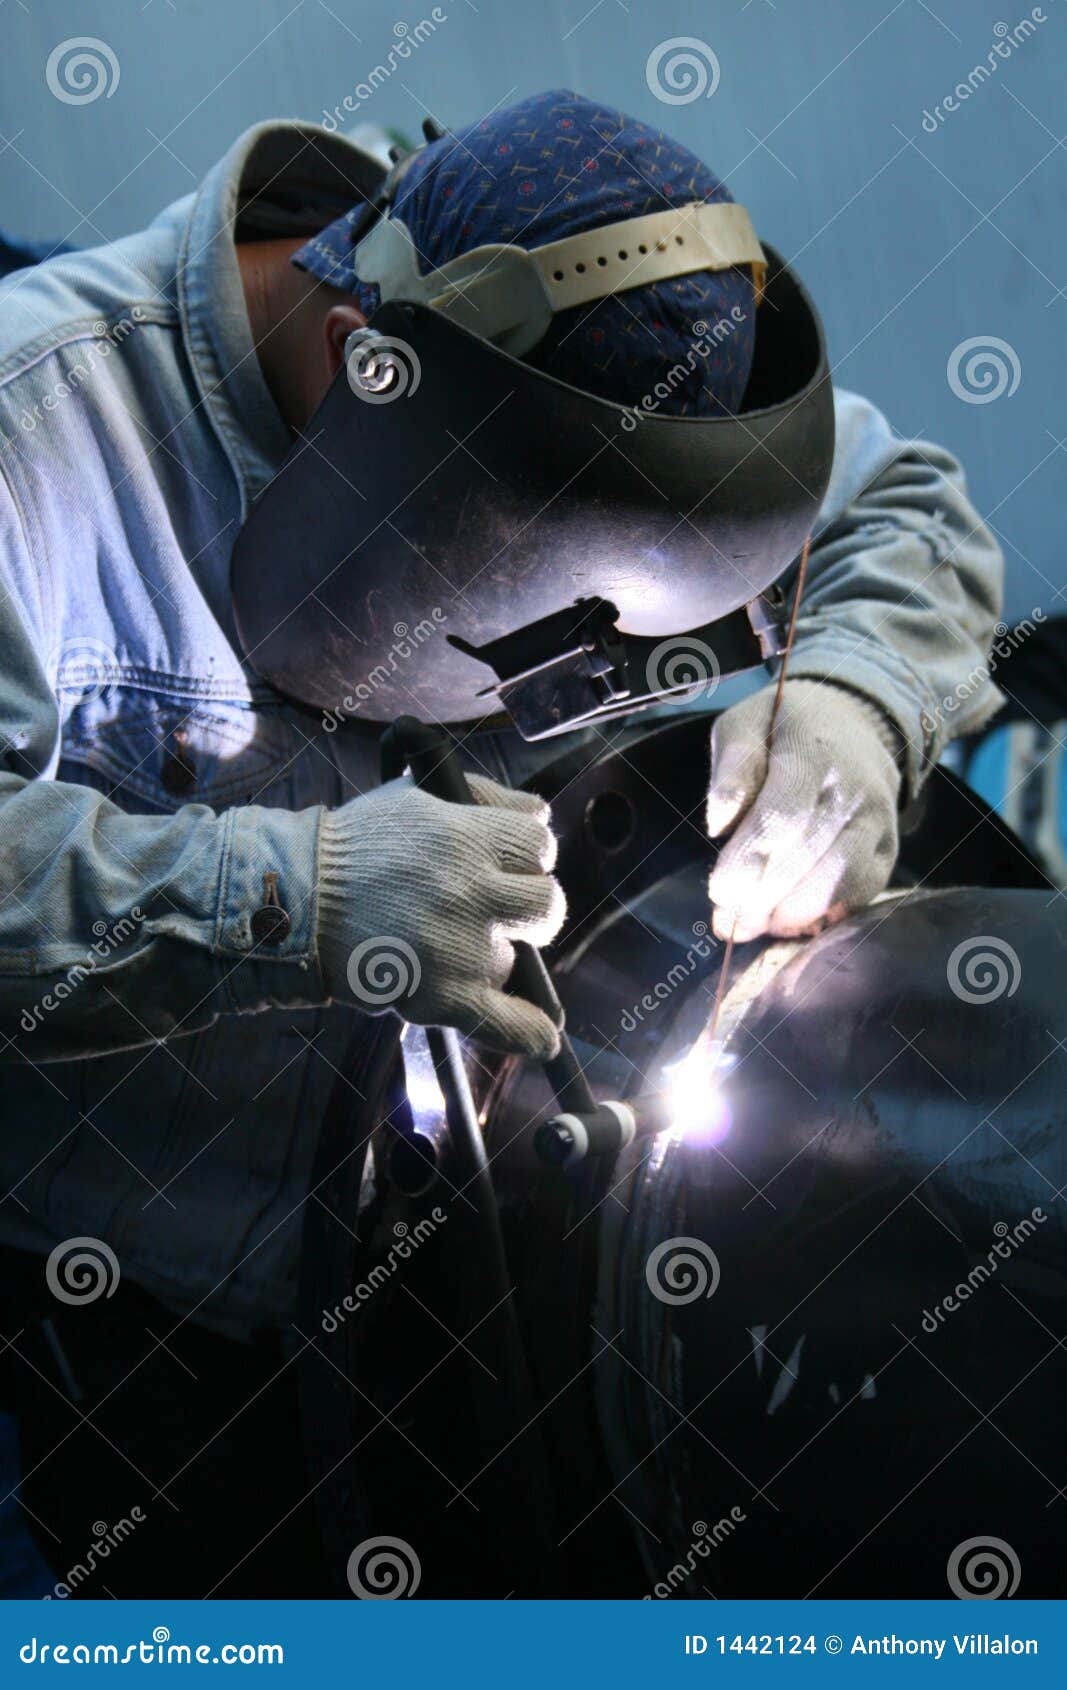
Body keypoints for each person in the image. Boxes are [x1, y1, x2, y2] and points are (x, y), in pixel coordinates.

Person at [0, 90, 1002, 1590]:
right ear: (365, 364)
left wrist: (857, 698)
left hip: (419, 1339)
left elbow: (901, 502)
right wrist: (296, 894)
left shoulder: (619, 371)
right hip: (94, 1355)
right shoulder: (41, 437)